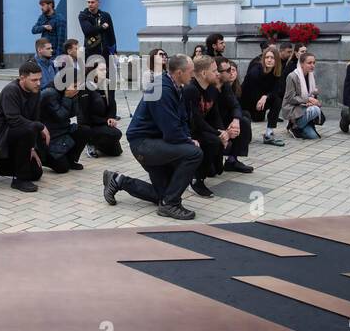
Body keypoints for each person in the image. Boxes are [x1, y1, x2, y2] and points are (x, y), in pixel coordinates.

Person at [103, 54, 202, 220]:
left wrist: (187, 137)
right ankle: (170, 205)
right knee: (194, 153)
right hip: (143, 144)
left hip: (155, 141)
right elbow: (171, 131)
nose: (193, 75)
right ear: (179, 72)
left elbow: (182, 119)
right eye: (191, 72)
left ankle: (118, 180)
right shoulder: (161, 89)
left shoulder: (176, 86)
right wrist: (188, 141)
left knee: (162, 195)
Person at [0, 60, 49, 192]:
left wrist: (32, 148)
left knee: (36, 174)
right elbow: (14, 120)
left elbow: (34, 118)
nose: (38, 83)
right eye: (34, 80)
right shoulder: (11, 90)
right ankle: (19, 180)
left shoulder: (36, 91)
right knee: (31, 129)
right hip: (0, 132)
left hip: (20, 132)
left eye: (40, 79)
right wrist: (40, 126)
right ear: (22, 78)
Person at [184, 55, 228, 196]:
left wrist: (223, 131)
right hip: (188, 131)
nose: (218, 73)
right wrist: (218, 134)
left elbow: (215, 115)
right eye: (214, 70)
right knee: (213, 141)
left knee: (216, 171)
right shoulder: (191, 90)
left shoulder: (212, 89)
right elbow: (196, 120)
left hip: (201, 128)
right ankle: (196, 180)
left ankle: (205, 168)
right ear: (203, 73)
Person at [37, 76, 89, 173]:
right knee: (62, 168)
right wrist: (67, 97)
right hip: (50, 136)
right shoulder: (50, 93)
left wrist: (73, 97)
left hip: (63, 130)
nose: (77, 88)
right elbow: (61, 116)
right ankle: (43, 157)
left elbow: (75, 112)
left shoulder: (70, 92)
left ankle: (71, 160)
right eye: (75, 85)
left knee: (85, 130)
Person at [76, 61, 123, 158]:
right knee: (116, 133)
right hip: (90, 124)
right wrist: (105, 121)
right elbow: (85, 114)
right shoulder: (85, 87)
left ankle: (99, 143)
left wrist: (111, 117)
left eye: (106, 69)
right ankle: (90, 142)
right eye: (102, 70)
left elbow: (112, 104)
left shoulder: (107, 84)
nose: (105, 72)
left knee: (116, 152)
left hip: (103, 122)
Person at [241, 46, 286, 146]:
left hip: (261, 102)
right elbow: (247, 92)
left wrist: (265, 96)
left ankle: (269, 133)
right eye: (267, 57)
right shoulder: (255, 71)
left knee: (277, 100)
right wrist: (260, 98)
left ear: (277, 60)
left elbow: (276, 90)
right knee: (246, 139)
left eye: (272, 58)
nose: (269, 60)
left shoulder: (277, 71)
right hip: (246, 103)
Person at [215, 58, 253, 174]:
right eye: (227, 70)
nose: (230, 72)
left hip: (222, 119)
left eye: (232, 70)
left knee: (243, 120)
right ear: (217, 72)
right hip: (210, 123)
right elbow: (211, 115)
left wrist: (236, 120)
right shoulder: (210, 87)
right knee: (213, 171)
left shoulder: (225, 86)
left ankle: (232, 160)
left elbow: (235, 105)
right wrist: (224, 131)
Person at [280, 51, 324, 138]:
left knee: (313, 136)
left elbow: (312, 95)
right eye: (309, 63)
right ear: (301, 64)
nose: (312, 65)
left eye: (314, 63)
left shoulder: (311, 75)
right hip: (293, 108)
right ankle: (293, 125)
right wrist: (307, 100)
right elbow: (290, 98)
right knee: (314, 110)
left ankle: (299, 125)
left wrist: (314, 101)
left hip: (305, 107)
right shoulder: (292, 76)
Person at [78, 0, 116, 65]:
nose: (90, 4)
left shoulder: (105, 16)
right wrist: (102, 27)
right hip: (90, 52)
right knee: (91, 75)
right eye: (88, 2)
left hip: (105, 52)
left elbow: (111, 34)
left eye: (92, 2)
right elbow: (88, 31)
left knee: (107, 75)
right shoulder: (83, 15)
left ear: (98, 3)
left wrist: (114, 51)